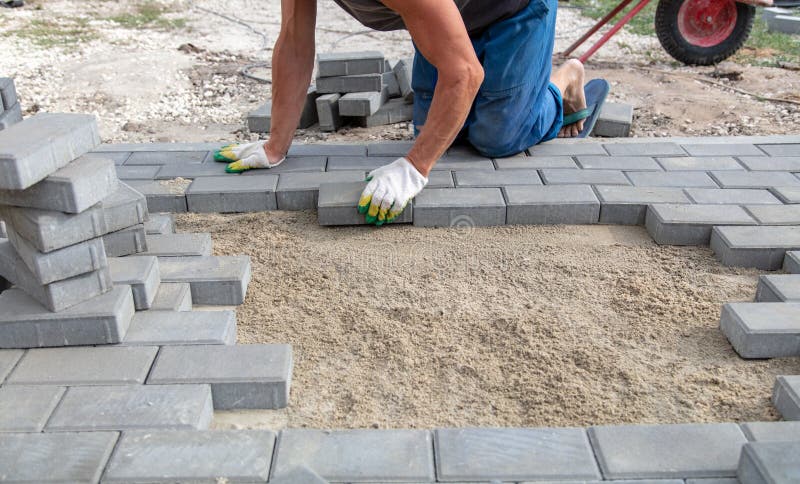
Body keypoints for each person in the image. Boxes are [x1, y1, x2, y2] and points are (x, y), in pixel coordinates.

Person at [216, 0, 594, 225]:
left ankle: (564, 81)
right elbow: (295, 40)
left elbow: (464, 74)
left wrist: (414, 167)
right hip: (451, 11)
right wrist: (275, 145)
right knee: (441, 133)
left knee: (495, 136)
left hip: (514, 9)